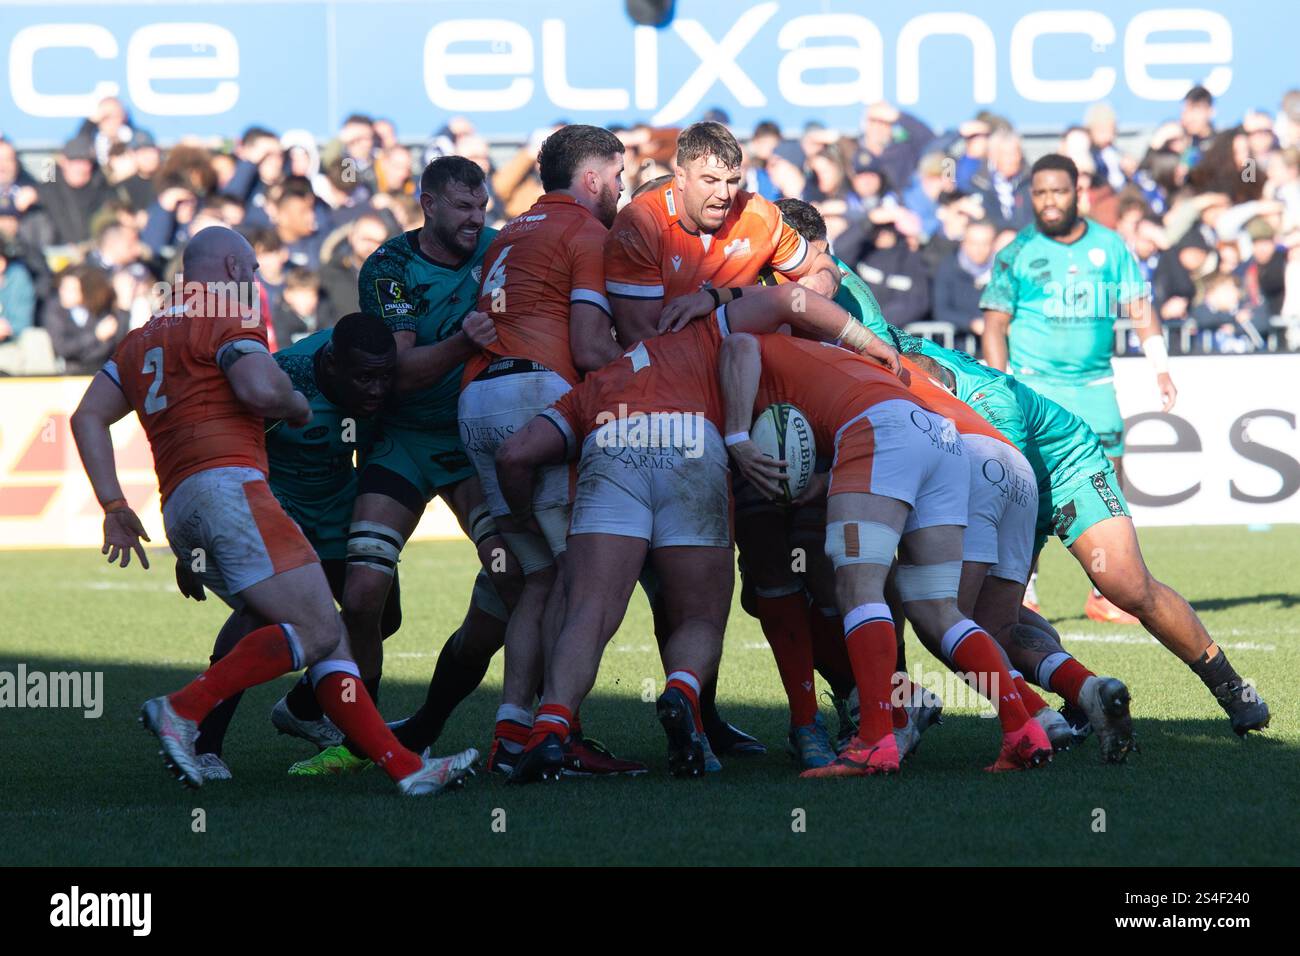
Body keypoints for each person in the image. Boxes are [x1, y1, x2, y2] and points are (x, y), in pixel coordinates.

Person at [68, 227, 476, 794]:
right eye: (253, 268)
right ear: (233, 268)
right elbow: (261, 392)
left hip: (181, 505)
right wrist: (294, 404)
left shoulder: (141, 338)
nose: (256, 279)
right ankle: (185, 710)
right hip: (233, 488)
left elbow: (86, 417)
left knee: (326, 634)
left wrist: (113, 503)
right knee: (316, 627)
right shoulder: (228, 316)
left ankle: (406, 769)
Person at [604, 120, 840, 757]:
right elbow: (639, 338)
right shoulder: (640, 225)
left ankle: (822, 717)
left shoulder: (759, 218)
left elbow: (823, 280)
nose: (722, 193)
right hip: (675, 423)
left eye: (732, 180)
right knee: (686, 585)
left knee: (794, 566)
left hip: (759, 410)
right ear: (678, 177)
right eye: (709, 179)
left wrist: (728, 298)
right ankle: (695, 718)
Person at [721, 331, 1053, 776]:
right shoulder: (823, 354)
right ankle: (1023, 729)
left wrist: (737, 436)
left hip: (880, 430)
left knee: (858, 587)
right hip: (939, 436)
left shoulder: (740, 337)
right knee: (938, 608)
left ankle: (875, 741)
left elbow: (740, 343)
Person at [458, 124, 633, 775]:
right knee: (578, 578)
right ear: (592, 179)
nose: (622, 188)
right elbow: (589, 348)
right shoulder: (587, 232)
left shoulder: (509, 232)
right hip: (536, 398)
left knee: (537, 578)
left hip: (477, 399)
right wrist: (657, 374)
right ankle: (558, 736)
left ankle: (511, 731)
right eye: (618, 175)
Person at [349, 156, 523, 724]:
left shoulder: (501, 252)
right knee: (363, 595)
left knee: (511, 578)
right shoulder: (390, 265)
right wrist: (464, 343)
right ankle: (359, 736)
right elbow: (396, 372)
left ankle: (427, 725)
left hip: (471, 443)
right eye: (463, 207)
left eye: (482, 206)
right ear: (428, 204)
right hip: (400, 440)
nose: (477, 218)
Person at [981, 153, 1176, 623]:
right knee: (1026, 489)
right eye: (1040, 192)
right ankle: (1023, 588)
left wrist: (1161, 368)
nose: (1049, 201)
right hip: (1036, 390)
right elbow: (994, 325)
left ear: (1078, 193)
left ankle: (1105, 593)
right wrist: (999, 386)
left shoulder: (1109, 248)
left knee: (1111, 479)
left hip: (1095, 385)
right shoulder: (1016, 253)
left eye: (1059, 191)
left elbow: (1138, 306)